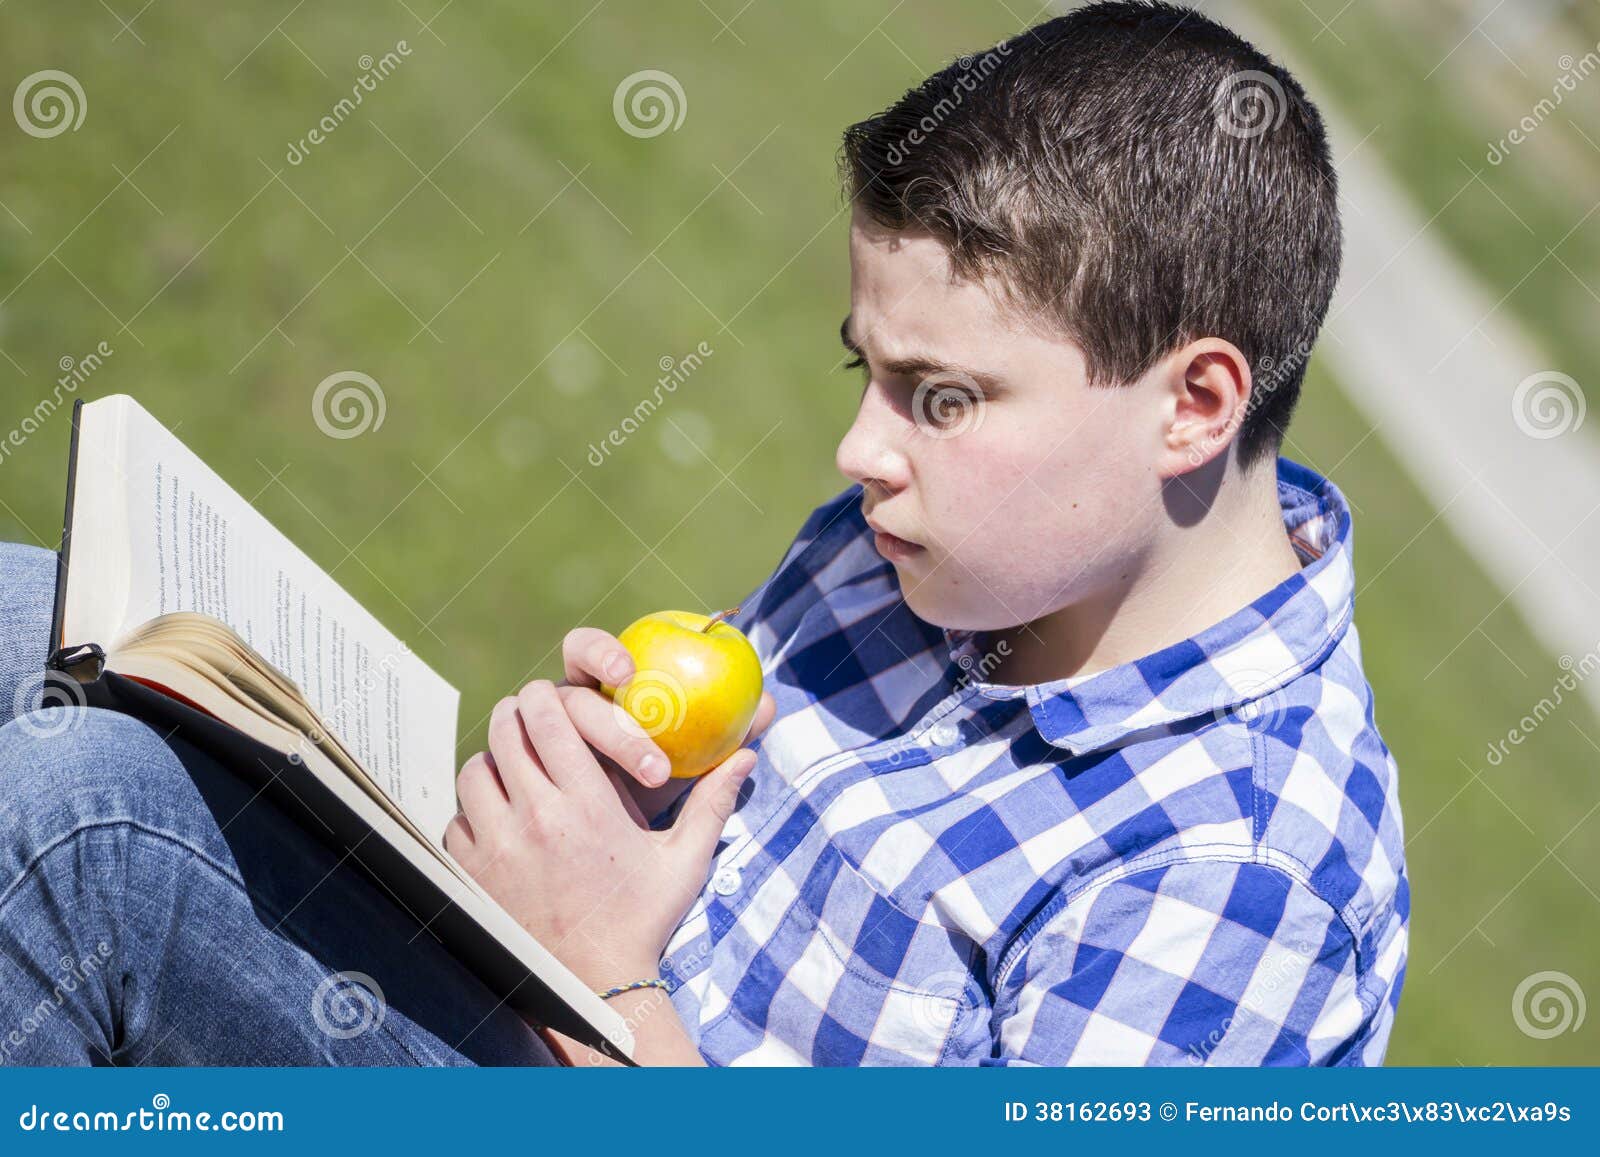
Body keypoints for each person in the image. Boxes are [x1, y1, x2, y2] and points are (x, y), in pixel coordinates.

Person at [0, 1, 1406, 1067]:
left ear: (1194, 405)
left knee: (90, 822)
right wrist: (605, 792)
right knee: (30, 616)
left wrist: (604, 964)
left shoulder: (1241, 877)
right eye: (871, 371)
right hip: (533, 995)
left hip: (572, 1039)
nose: (862, 451)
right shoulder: (937, 541)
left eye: (945, 396)